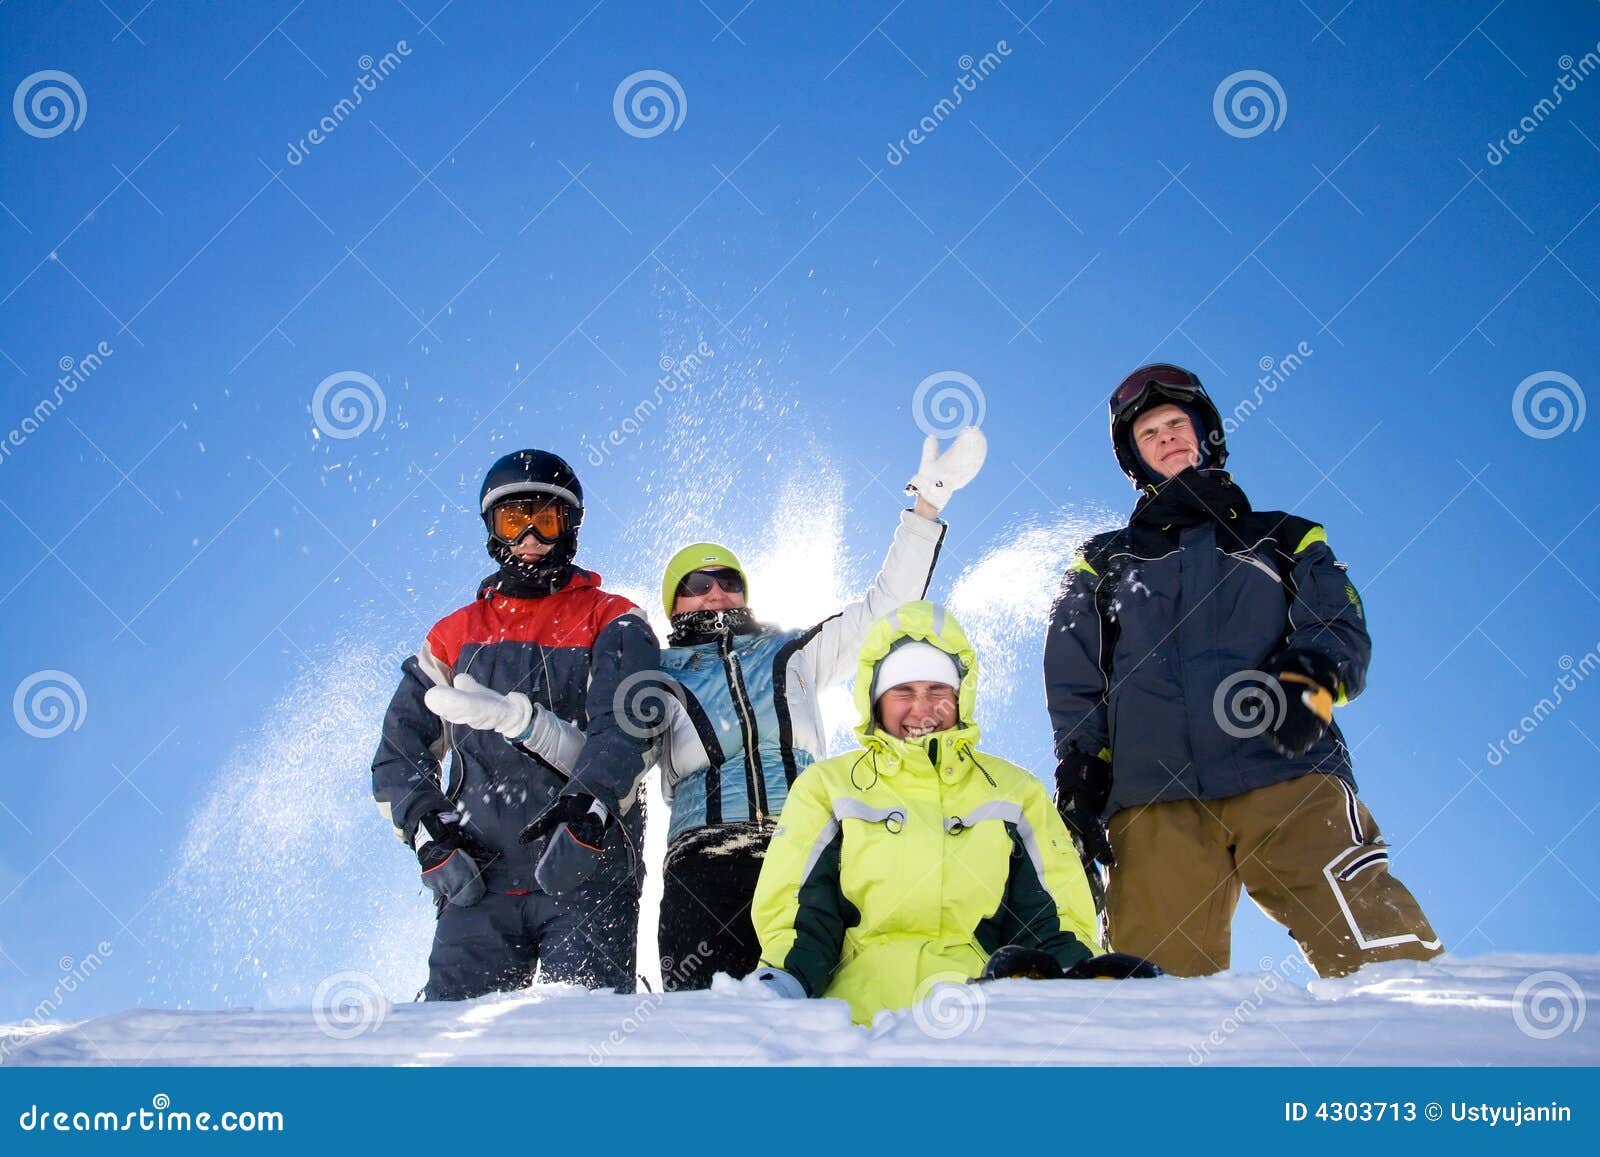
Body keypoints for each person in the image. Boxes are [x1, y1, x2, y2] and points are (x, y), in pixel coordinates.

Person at [1044, 363, 1442, 978]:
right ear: (1135, 459)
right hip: (1154, 799)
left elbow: (1336, 622)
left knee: (1386, 964)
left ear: (1206, 434)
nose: (1168, 438)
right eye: (1149, 434)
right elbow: (1075, 678)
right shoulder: (1103, 561)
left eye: (1177, 423)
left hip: (1287, 772)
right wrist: (1081, 764)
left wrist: (1310, 678)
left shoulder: (1285, 537)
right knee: (1150, 1004)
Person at [650, 430, 986, 990]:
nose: (716, 592)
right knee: (706, 1029)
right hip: (702, 866)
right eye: (696, 583)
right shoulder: (656, 676)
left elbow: (885, 609)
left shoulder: (792, 654)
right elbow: (606, 754)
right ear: (673, 600)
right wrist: (513, 719)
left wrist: (927, 504)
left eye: (729, 580)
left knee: (820, 1016)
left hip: (804, 850)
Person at [750, 601, 1133, 1025]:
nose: (922, 708)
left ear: (960, 696)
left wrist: (1077, 973)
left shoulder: (1014, 792)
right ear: (874, 699)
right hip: (856, 1024)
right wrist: (784, 981)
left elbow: (1049, 915)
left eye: (938, 691)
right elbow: (802, 913)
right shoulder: (829, 787)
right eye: (902, 691)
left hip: (982, 1020)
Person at [371, 449, 659, 1001]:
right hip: (481, 875)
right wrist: (428, 830)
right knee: (453, 1036)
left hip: (583, 860)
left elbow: (629, 722)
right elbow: (398, 751)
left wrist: (591, 804)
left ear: (569, 527)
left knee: (584, 1032)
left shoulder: (612, 616)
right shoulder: (453, 635)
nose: (529, 535)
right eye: (513, 520)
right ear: (493, 531)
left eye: (545, 520)